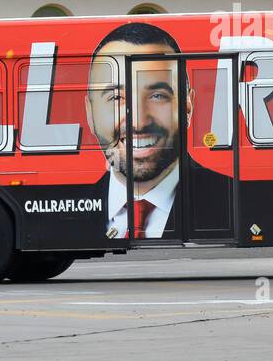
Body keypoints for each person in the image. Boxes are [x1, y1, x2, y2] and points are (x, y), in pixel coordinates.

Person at [84, 21, 231, 241]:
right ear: (90, 113)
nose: (139, 122)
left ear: (187, 106)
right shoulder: (62, 217)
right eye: (115, 98)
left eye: (157, 96)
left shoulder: (235, 200)